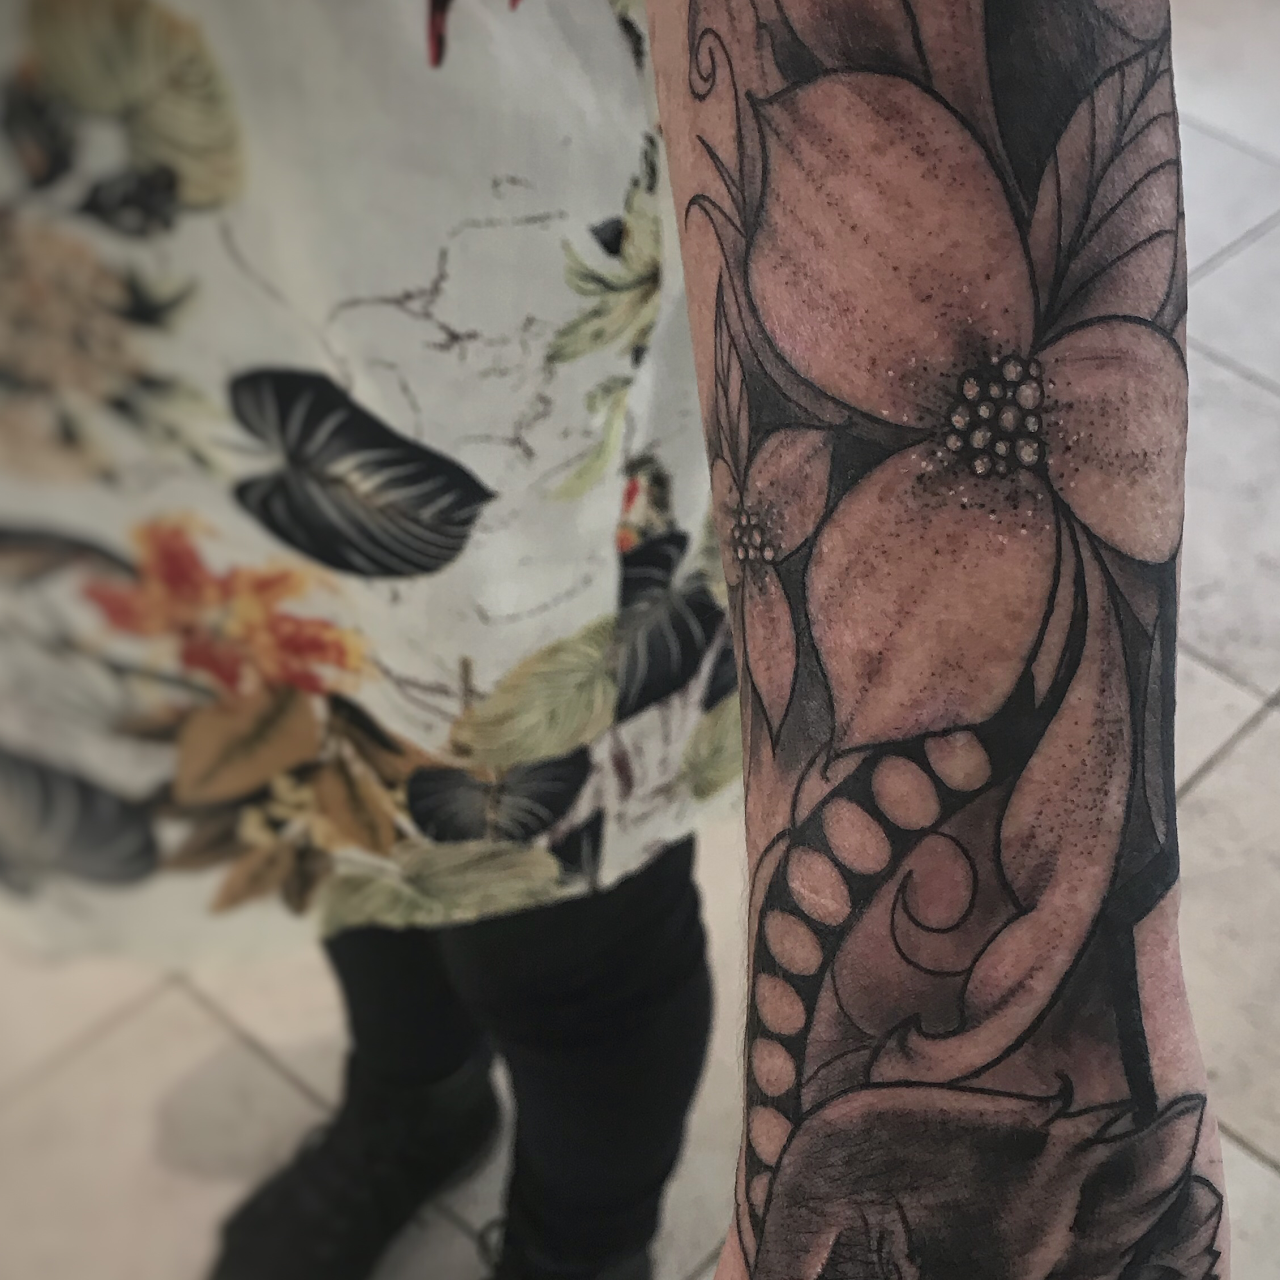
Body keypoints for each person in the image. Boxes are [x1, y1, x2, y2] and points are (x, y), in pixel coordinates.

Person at [0, 1, 1232, 1278]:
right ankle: (414, 1092)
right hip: (177, 253)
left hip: (490, 278)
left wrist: (1022, 1054)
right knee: (321, 757)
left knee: (544, 883)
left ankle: (575, 1245)